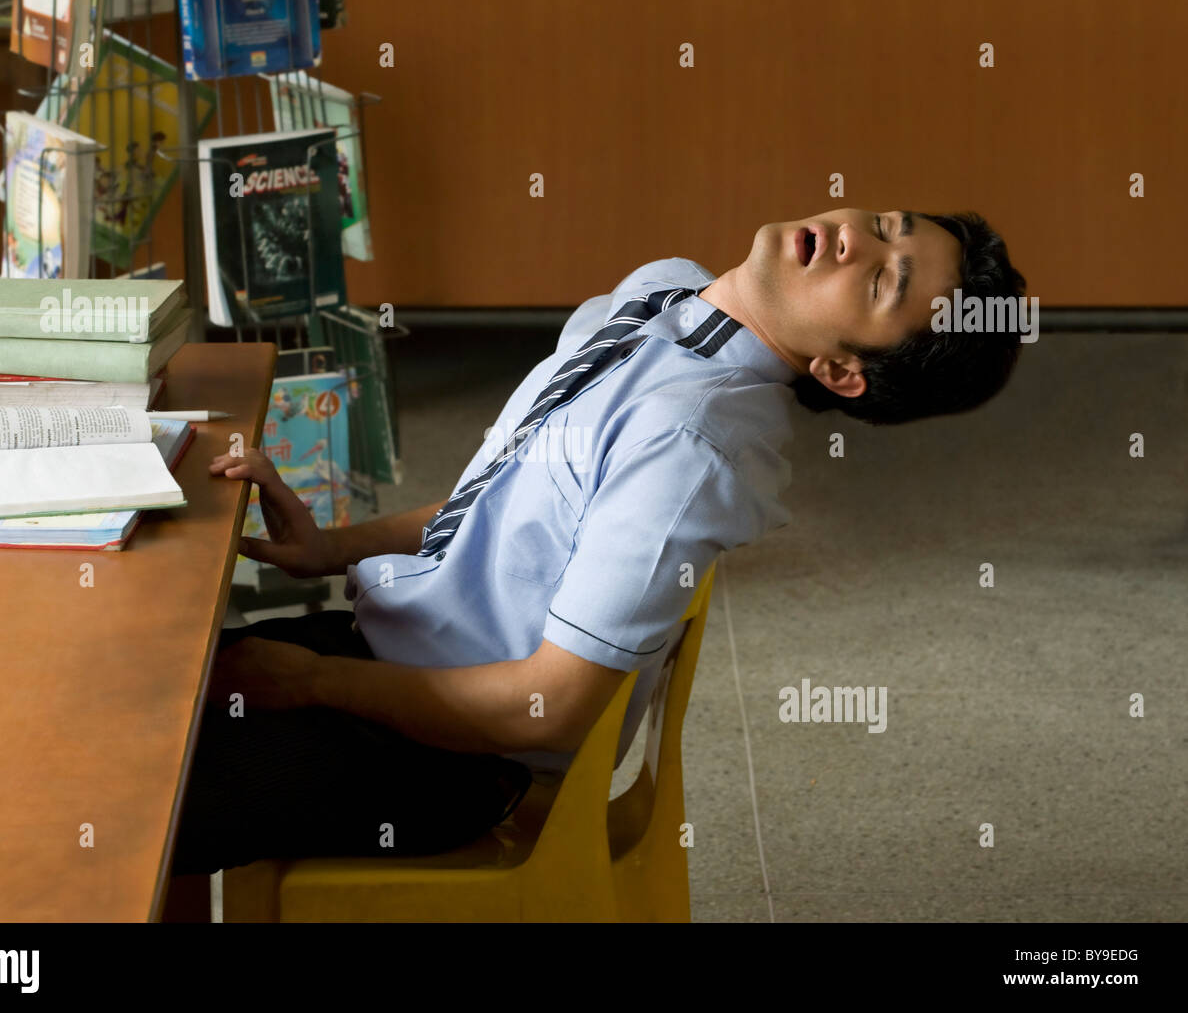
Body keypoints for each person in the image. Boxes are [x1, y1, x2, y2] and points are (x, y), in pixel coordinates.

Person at [171, 208, 1026, 875]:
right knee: (134, 696)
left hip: (449, 757)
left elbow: (554, 701)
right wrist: (334, 549)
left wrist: (315, 680)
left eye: (881, 280)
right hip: (387, 648)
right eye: (882, 226)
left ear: (844, 373)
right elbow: (515, 493)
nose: (852, 240)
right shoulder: (666, 293)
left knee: (133, 805)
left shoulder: (691, 445)